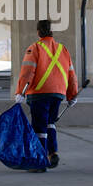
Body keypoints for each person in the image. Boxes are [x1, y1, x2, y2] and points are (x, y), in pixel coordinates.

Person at [14, 19, 79, 170]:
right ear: (51, 31)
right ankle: (52, 153)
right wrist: (72, 96)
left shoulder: (34, 48)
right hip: (58, 93)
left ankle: (39, 160)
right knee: (50, 123)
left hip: (39, 93)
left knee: (38, 126)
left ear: (38, 32)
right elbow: (71, 74)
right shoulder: (63, 49)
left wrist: (20, 92)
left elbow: (27, 72)